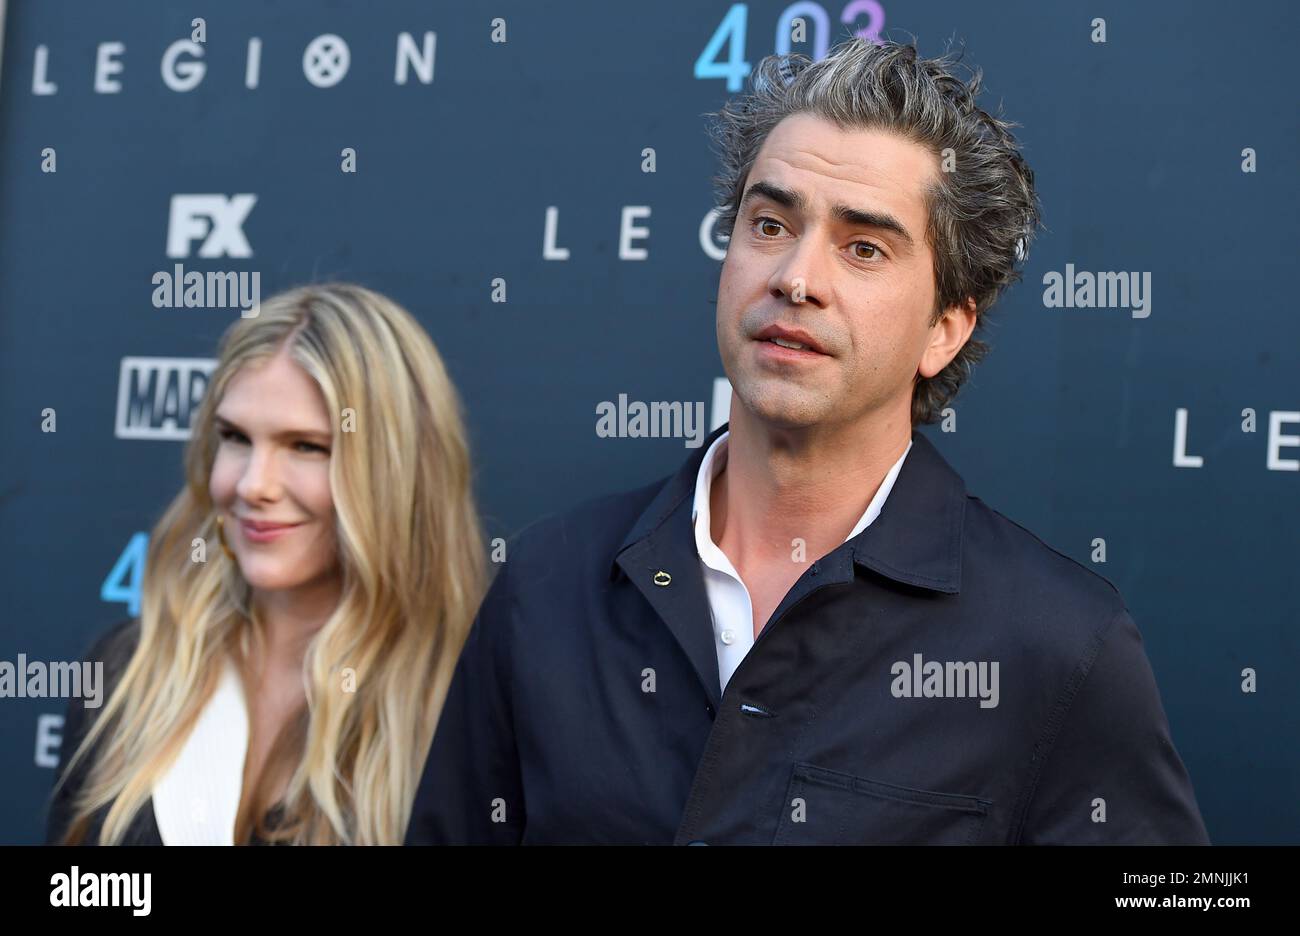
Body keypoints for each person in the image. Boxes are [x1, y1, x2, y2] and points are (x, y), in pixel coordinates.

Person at [405, 39, 1209, 845]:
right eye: (770, 222)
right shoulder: (547, 587)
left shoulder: (1058, 644)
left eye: (864, 247)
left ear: (945, 328)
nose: (795, 275)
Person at [47, 283, 487, 845]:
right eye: (234, 437)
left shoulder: (462, 709)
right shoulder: (126, 674)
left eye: (306, 446)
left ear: (395, 472)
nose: (254, 484)